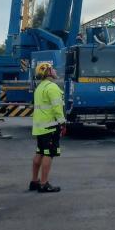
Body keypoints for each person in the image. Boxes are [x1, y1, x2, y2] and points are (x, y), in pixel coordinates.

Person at [30, 61, 66, 193]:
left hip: (40, 128)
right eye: (53, 69)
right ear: (49, 72)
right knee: (48, 154)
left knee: (39, 152)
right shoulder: (52, 87)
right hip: (50, 127)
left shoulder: (39, 87)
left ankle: (34, 181)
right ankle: (44, 183)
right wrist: (62, 124)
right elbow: (57, 109)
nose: (55, 71)